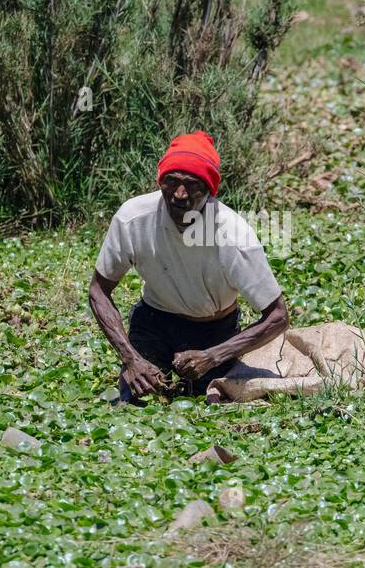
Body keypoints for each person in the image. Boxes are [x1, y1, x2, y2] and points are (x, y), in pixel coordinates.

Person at [89, 131, 289, 403]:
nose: (179, 195)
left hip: (214, 331)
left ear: (209, 191)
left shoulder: (234, 235)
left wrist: (213, 356)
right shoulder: (133, 219)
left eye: (192, 185)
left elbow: (277, 316)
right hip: (154, 321)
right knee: (137, 397)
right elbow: (99, 290)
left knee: (210, 399)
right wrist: (132, 359)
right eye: (171, 182)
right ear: (160, 182)